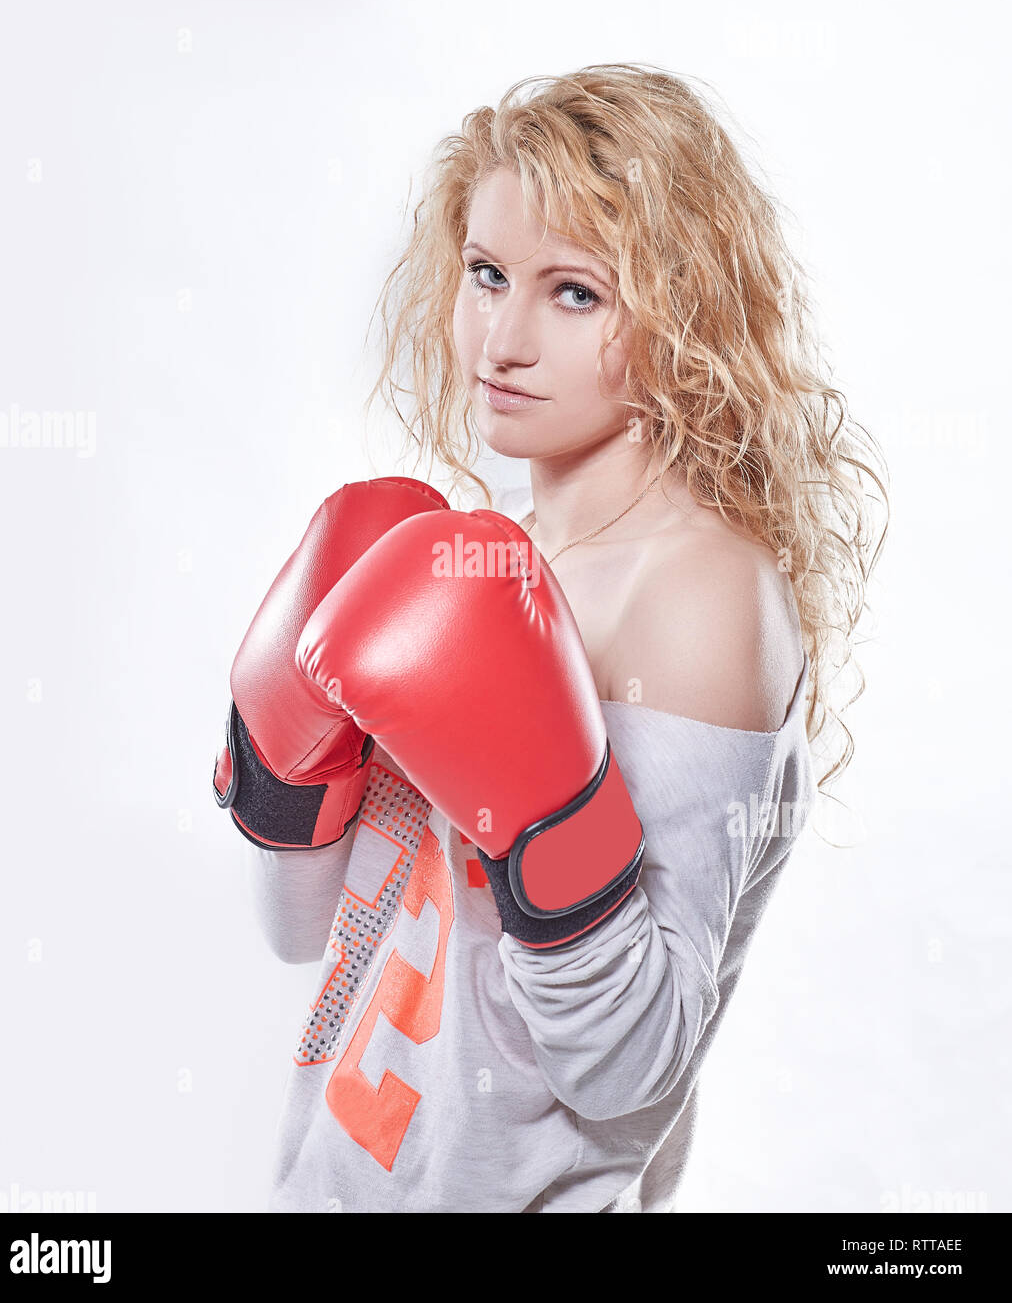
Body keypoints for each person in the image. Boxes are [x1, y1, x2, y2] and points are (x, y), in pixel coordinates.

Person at [213, 63, 889, 1212]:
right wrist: (281, 757)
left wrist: (550, 843)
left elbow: (627, 1073)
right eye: (486, 275)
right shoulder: (472, 567)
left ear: (681, 309)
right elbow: (306, 935)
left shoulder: (700, 596)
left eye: (572, 292)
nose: (501, 337)